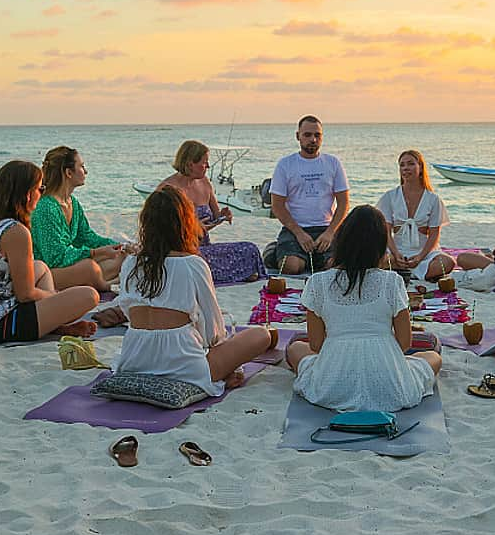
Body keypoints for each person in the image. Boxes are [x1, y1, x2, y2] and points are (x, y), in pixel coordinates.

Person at [112, 186, 272, 394]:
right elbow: (213, 333)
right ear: (185, 223)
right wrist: (228, 361)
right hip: (185, 368)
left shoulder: (131, 263)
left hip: (134, 359)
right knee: (261, 335)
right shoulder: (192, 264)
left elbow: (129, 311)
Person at [286, 205, 441, 412]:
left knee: (296, 348)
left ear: (341, 241)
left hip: (331, 386)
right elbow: (404, 343)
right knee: (433, 357)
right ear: (380, 246)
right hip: (390, 386)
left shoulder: (317, 282)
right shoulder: (392, 282)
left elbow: (316, 345)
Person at [0, 160, 100, 344]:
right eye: (40, 189)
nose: (41, 195)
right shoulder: (16, 231)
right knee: (90, 295)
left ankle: (54, 325)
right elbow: (25, 294)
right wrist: (54, 296)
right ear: (27, 194)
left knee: (40, 267)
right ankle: (54, 323)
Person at [157, 140, 268, 285]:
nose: (208, 166)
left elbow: (216, 216)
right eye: (204, 162)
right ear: (190, 164)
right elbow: (158, 228)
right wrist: (192, 227)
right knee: (197, 261)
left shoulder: (204, 182)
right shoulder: (168, 189)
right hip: (180, 251)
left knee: (250, 249)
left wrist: (223, 215)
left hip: (204, 247)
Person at [30, 146, 124, 292]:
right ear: (68, 173)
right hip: (48, 273)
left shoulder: (72, 202)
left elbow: (87, 237)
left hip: (68, 267)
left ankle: (98, 281)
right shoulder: (46, 208)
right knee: (89, 268)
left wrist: (119, 246)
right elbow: (56, 258)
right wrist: (96, 253)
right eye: (81, 166)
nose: (85, 171)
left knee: (122, 257)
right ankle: (105, 284)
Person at [269, 116, 349, 275]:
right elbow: (277, 206)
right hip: (295, 229)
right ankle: (275, 251)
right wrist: (299, 233)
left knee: (335, 267)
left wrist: (330, 233)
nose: (313, 139)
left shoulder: (333, 163)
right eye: (307, 135)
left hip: (326, 228)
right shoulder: (285, 164)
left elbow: (344, 203)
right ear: (298, 136)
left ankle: (314, 259)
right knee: (291, 267)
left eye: (317, 135)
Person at [377, 150, 456, 279]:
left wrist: (420, 257)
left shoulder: (433, 199)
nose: (406, 168)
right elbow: (386, 231)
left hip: (423, 252)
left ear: (420, 167)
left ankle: (406, 271)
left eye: (411, 164)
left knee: (447, 263)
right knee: (374, 260)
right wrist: (396, 254)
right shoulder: (390, 196)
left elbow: (434, 234)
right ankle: (407, 270)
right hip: (396, 251)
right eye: (402, 165)